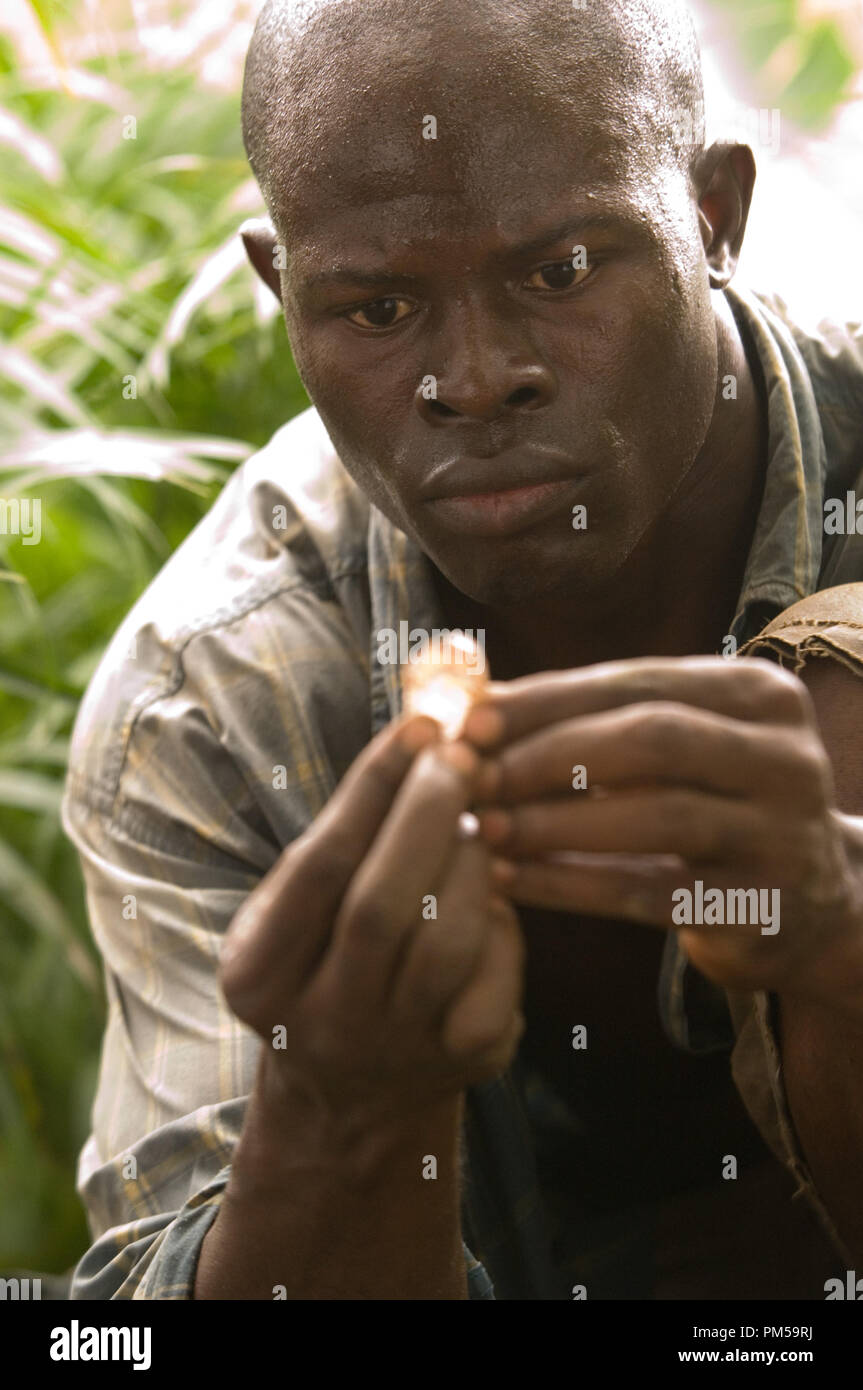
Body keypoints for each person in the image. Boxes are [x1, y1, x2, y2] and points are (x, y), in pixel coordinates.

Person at [63, 0, 863, 1300]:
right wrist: (340, 1115)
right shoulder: (213, 700)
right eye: (377, 309)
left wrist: (842, 938)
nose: (474, 380)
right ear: (283, 291)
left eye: (559, 272)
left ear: (714, 214)